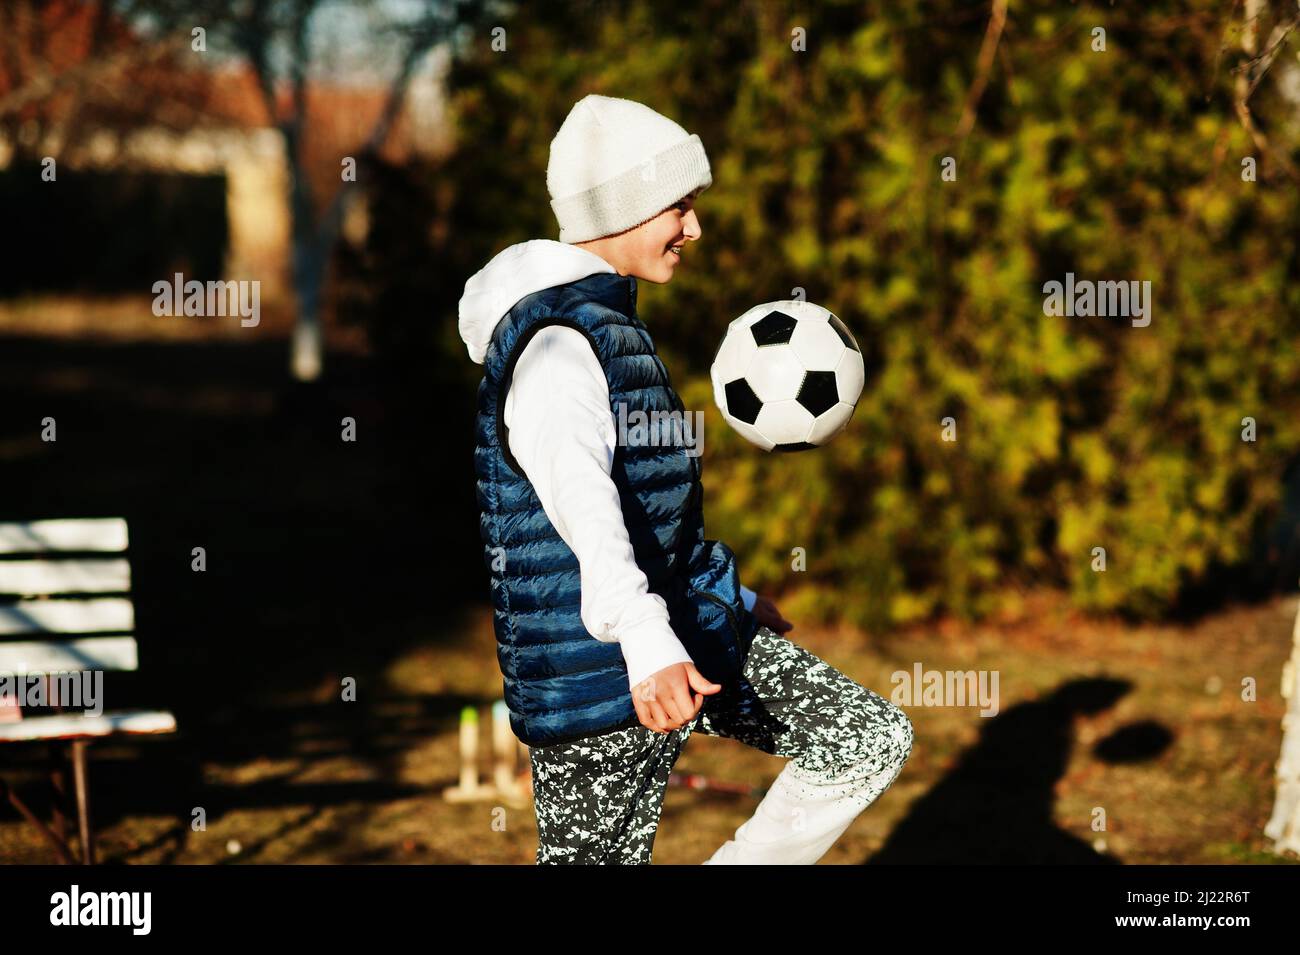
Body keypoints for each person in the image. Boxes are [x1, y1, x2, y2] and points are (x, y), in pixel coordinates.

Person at [457, 93, 913, 864]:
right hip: (603, 680)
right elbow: (584, 505)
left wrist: (725, 598)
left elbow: (651, 509)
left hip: (687, 635)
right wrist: (644, 639)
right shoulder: (557, 346)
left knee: (866, 737)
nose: (694, 228)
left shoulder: (613, 326)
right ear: (624, 206)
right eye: (681, 205)